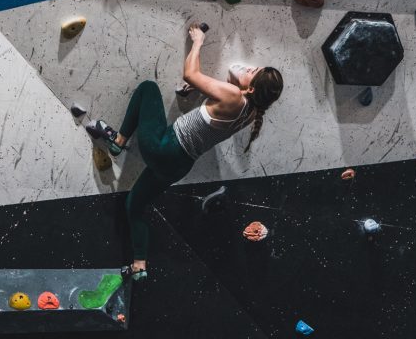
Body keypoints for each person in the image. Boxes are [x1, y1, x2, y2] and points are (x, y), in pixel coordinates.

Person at [88, 24, 283, 281]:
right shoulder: (252, 114)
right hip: (178, 166)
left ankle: (118, 141)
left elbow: (191, 74)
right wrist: (208, 89)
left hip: (165, 146)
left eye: (252, 72)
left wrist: (198, 42)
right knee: (134, 206)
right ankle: (139, 264)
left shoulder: (234, 96)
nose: (248, 68)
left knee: (148, 88)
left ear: (251, 90)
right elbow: (220, 101)